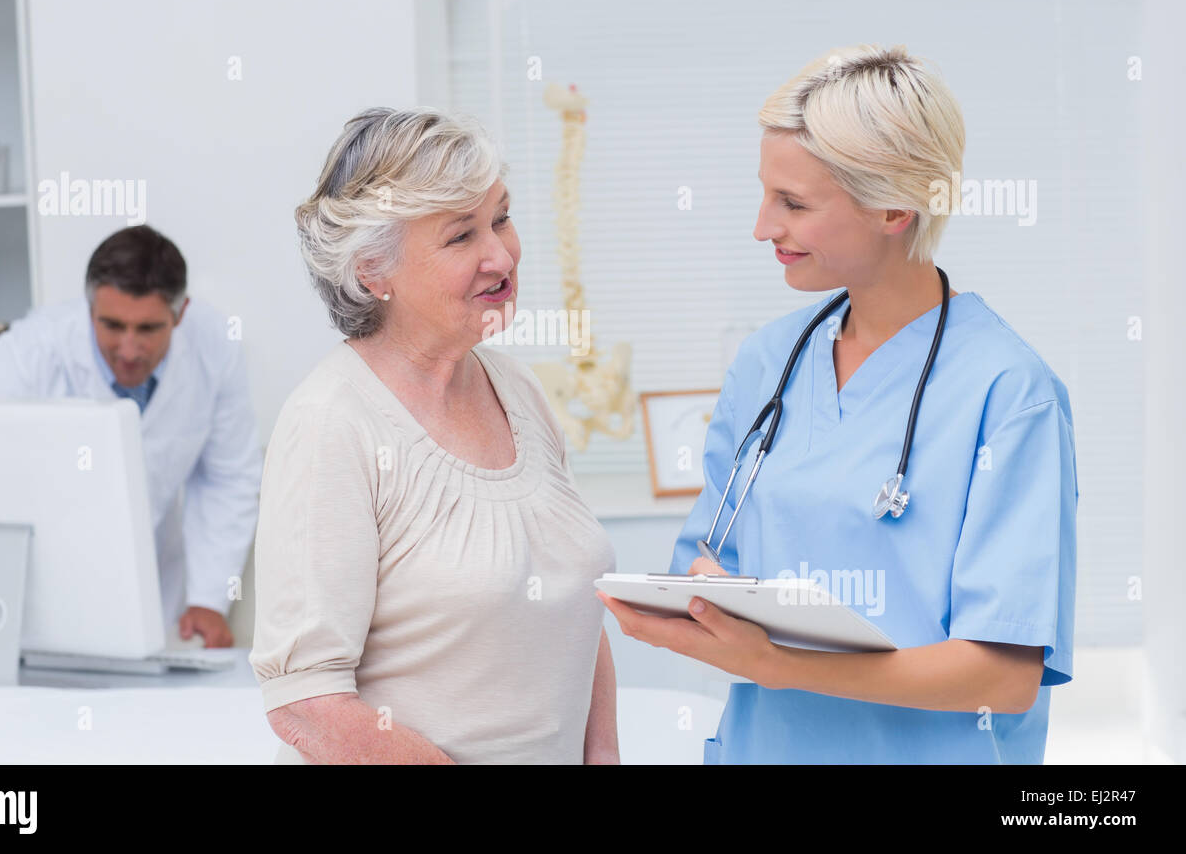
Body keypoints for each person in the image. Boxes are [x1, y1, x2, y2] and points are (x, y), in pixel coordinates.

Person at [599, 44, 1078, 764]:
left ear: (893, 206)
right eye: (765, 195)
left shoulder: (1008, 393)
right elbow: (708, 568)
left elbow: (1004, 677)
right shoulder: (768, 364)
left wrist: (780, 664)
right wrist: (688, 602)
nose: (763, 227)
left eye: (793, 203)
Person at [249, 107, 618, 764]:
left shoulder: (520, 391)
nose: (500, 255)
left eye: (501, 217)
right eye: (460, 237)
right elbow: (308, 707)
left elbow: (573, 624)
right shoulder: (332, 423)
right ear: (372, 271)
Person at [0, 225, 263, 674]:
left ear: (180, 313)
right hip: (37, 593)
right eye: (111, 325)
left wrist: (208, 599)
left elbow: (227, 479)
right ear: (89, 308)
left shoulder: (216, 349)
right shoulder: (32, 349)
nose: (129, 349)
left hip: (156, 595)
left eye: (148, 328)